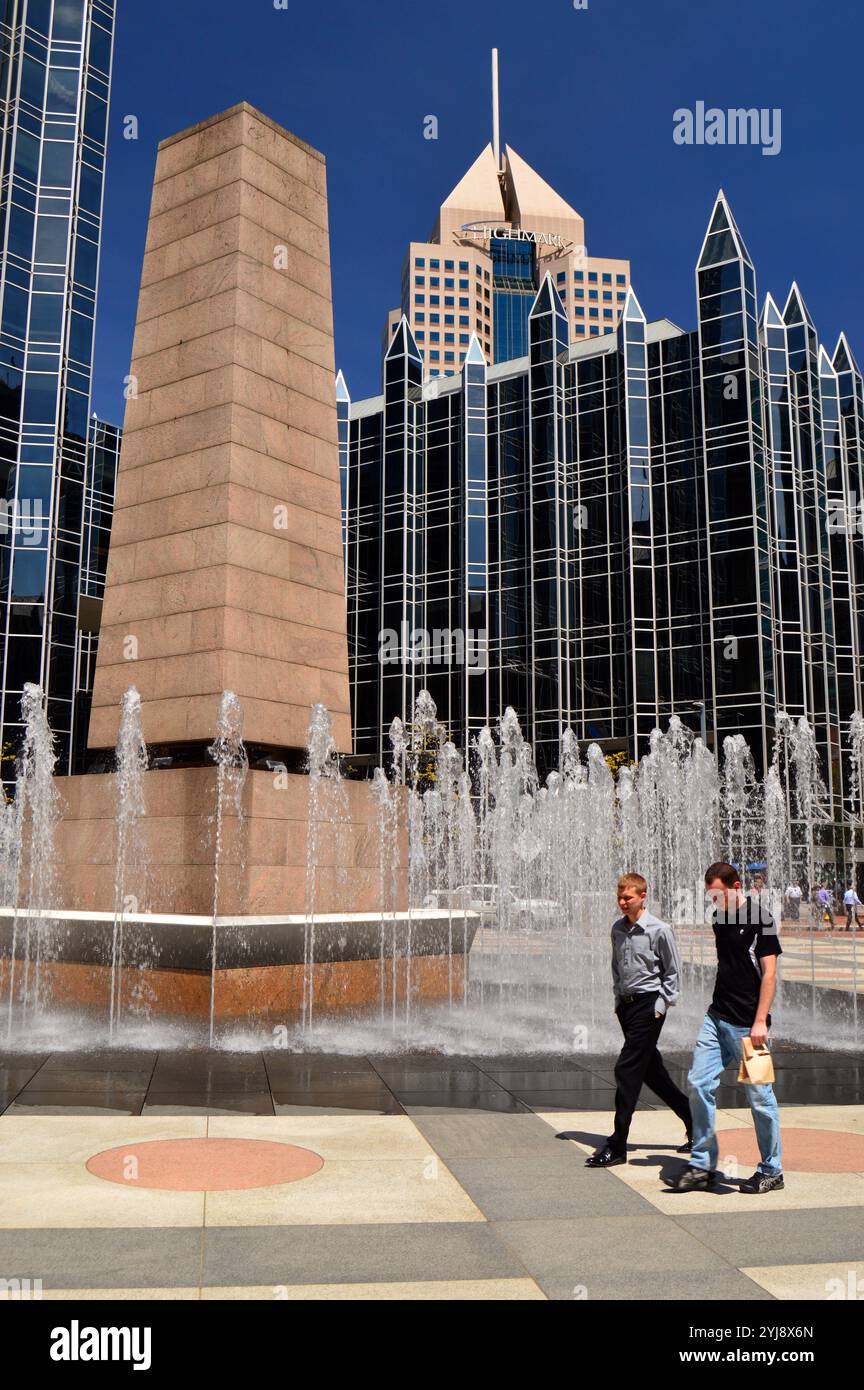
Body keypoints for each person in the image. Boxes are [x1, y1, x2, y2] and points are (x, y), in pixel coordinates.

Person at [665, 861, 783, 1195]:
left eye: (717, 894)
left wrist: (761, 1020)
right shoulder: (719, 918)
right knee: (698, 1084)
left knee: (760, 1098)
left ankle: (772, 1170)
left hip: (750, 1027)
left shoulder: (761, 918)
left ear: (734, 887)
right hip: (716, 1019)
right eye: (710, 896)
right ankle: (702, 1165)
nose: (713, 902)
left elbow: (770, 974)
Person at [585, 873, 692, 1169]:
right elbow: (616, 966)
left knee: (627, 1069)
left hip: (649, 1006)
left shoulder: (659, 930)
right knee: (652, 1072)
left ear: (643, 896)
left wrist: (660, 1006)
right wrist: (618, 999)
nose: (622, 903)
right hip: (628, 1006)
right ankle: (693, 1120)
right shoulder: (617, 929)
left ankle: (618, 1144)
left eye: (628, 898)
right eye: (619, 897)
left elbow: (672, 972)